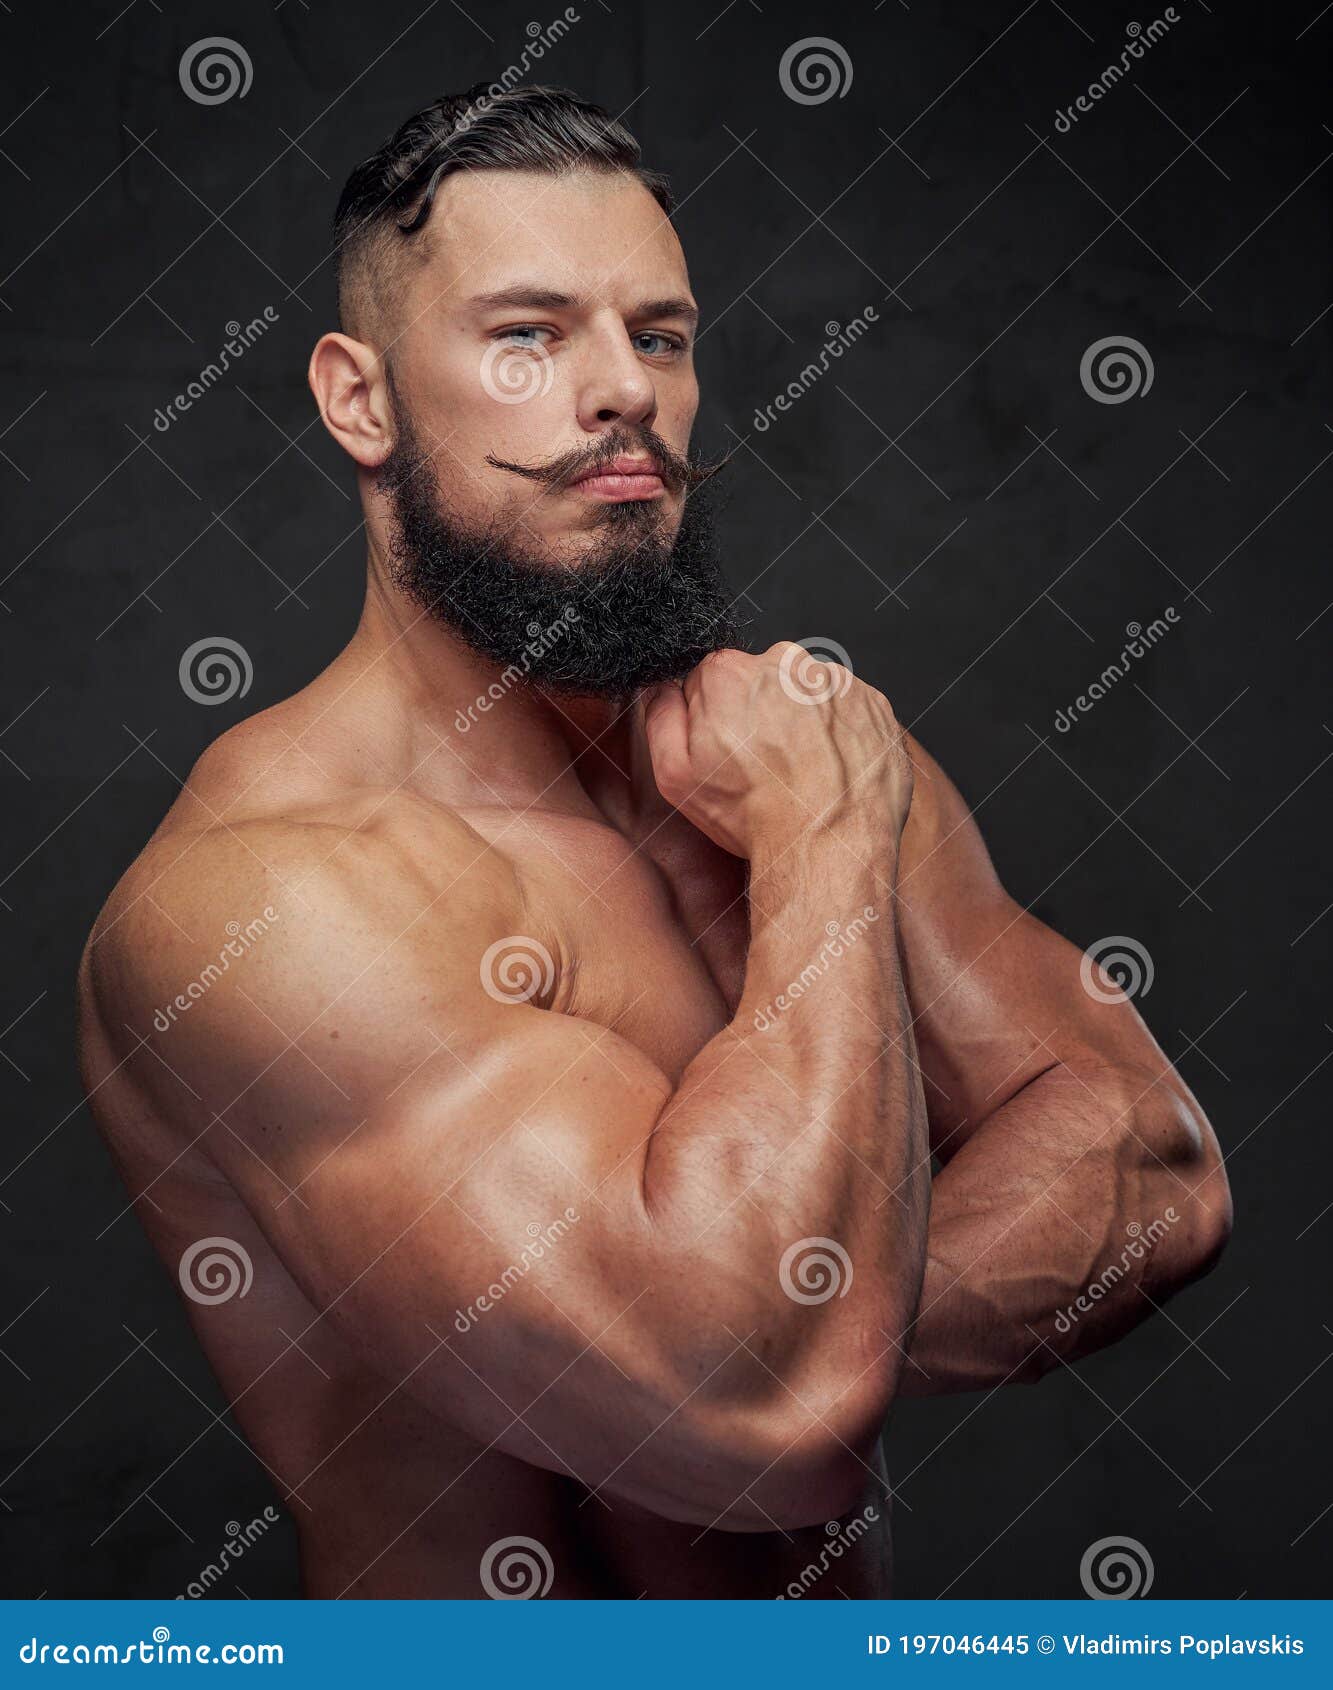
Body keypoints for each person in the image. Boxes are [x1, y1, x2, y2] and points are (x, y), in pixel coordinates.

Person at [78, 84, 1230, 1599]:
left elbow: (1158, 1163)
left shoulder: (787, 746)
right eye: (529, 335)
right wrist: (821, 852)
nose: (621, 389)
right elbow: (766, 1421)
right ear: (360, 399)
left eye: (660, 336)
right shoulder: (275, 896)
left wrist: (825, 1301)